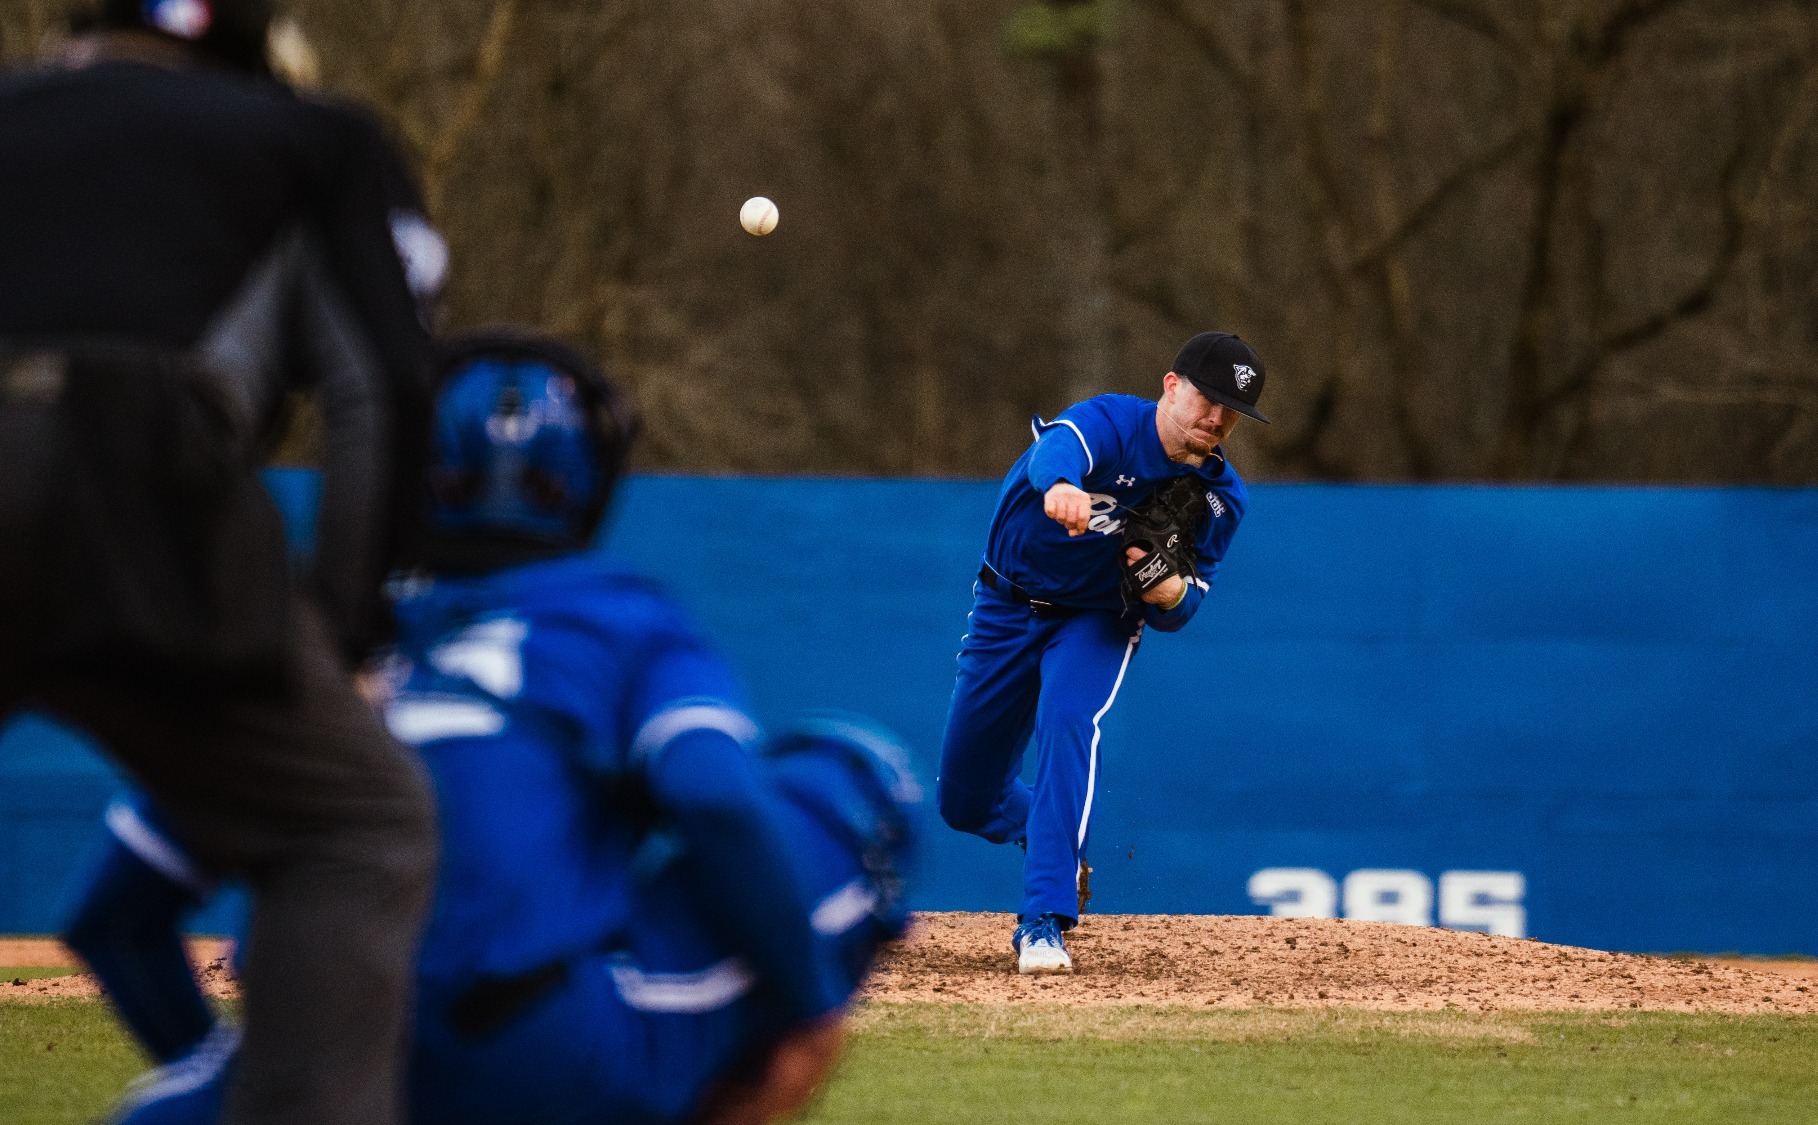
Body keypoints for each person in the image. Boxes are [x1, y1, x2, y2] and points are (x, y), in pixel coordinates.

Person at [67, 330, 904, 1125]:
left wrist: (263, 1086)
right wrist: (809, 1012)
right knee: (849, 785)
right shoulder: (616, 615)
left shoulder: (321, 641)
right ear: (587, 481)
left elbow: (114, 917)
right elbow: (711, 793)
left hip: (324, 1048)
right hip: (542, 1048)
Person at [0, 4, 441, 1123]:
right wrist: (349, 632)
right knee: (355, 823)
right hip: (139, 471)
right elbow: (380, 389)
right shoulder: (309, 135)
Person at [936, 331, 1267, 974]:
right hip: (1007, 604)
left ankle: (1043, 921)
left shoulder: (1222, 498)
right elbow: (1055, 450)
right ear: (1171, 385)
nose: (1217, 418)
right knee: (964, 801)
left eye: (1233, 411)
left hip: (1098, 618)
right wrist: (1060, 484)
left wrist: (1170, 592)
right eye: (1208, 398)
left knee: (1067, 719)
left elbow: (1186, 606)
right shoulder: (1112, 421)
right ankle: (1045, 832)